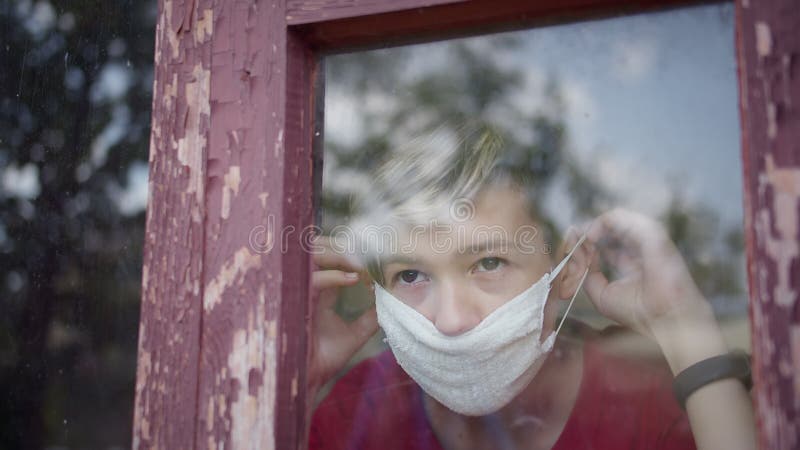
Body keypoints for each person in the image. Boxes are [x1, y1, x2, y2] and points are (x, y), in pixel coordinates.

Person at [306, 124, 756, 450]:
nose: (452, 320)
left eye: (488, 262)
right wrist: (294, 390)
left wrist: (685, 330)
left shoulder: (656, 396)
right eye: (411, 276)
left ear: (567, 269)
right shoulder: (353, 415)